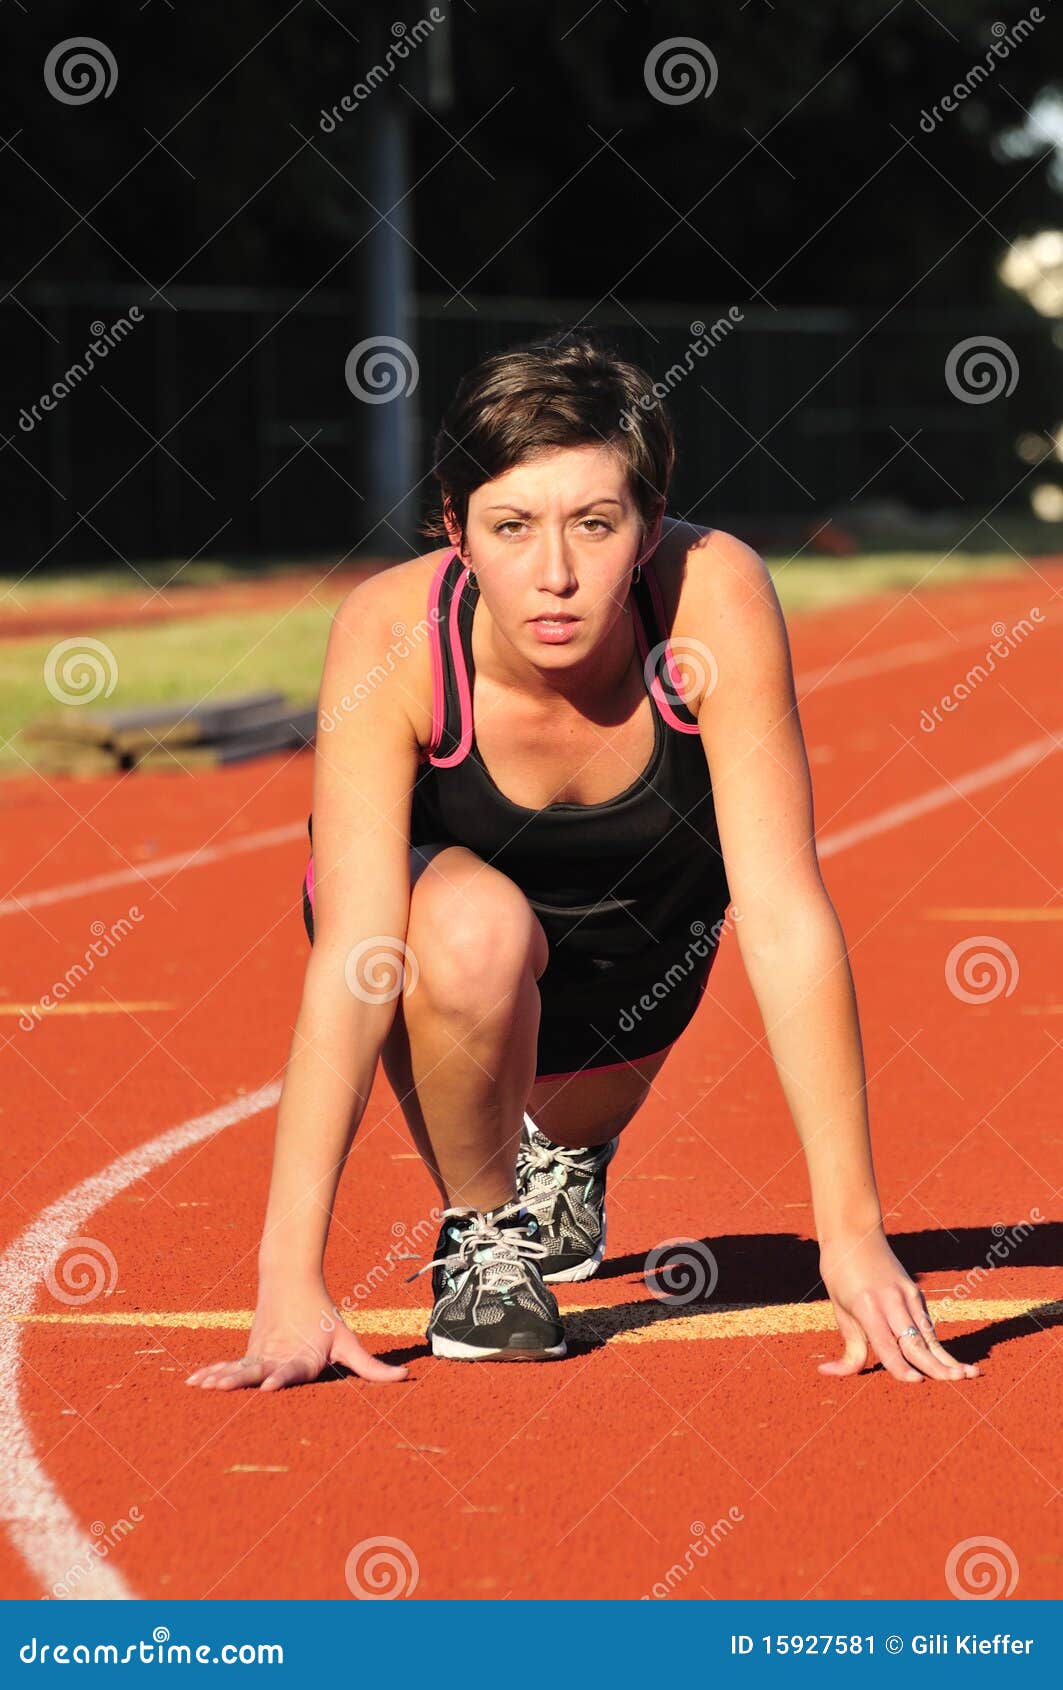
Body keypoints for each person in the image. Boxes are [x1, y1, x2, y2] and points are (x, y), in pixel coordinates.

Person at [186, 332, 979, 1388]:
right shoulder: (393, 635)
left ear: (648, 525)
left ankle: (564, 1161)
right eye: (511, 526)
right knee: (473, 931)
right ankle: (484, 1236)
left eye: (593, 524)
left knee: (567, 1119)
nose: (554, 575)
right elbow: (357, 956)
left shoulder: (711, 598)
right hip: (446, 931)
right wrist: (290, 1277)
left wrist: (852, 1232)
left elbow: (784, 914)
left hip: (642, 934)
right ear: (455, 529)